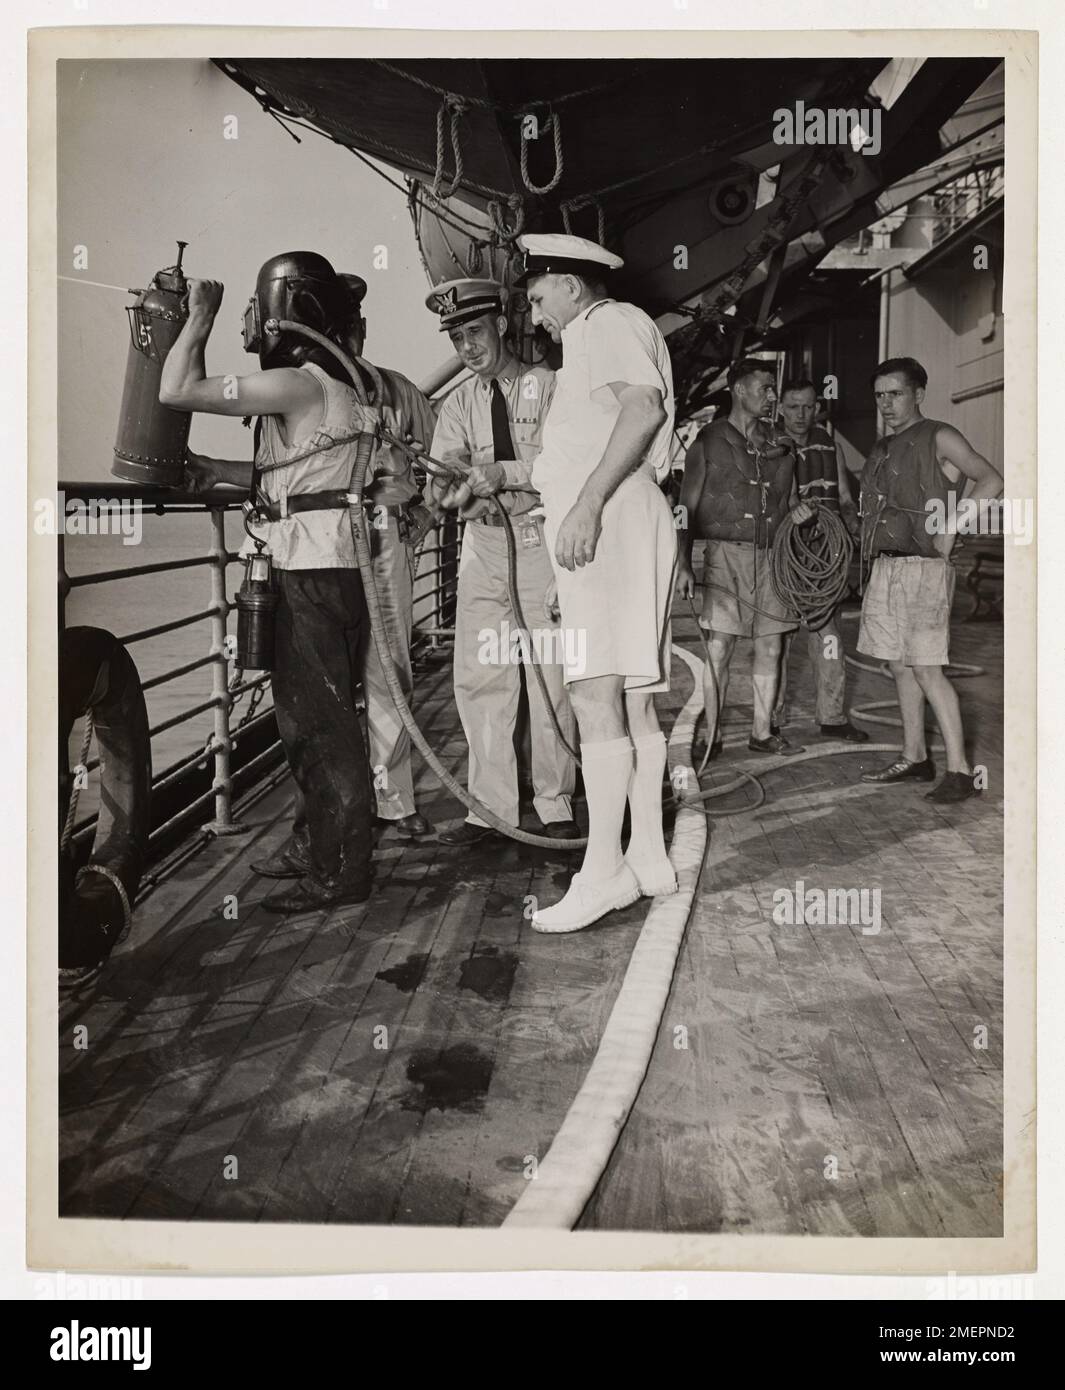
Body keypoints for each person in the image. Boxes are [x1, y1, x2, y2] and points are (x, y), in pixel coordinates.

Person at [164, 251, 379, 911]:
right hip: (323, 567)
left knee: (321, 728)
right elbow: (301, 478)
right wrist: (217, 472)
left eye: (254, 310)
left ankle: (341, 872)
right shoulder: (330, 386)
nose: (246, 324)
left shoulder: (299, 384)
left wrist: (198, 318)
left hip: (311, 574)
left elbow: (177, 389)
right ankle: (314, 844)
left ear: (286, 310)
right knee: (309, 720)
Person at [514, 232, 679, 933]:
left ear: (571, 286)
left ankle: (602, 873)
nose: (535, 317)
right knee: (634, 698)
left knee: (593, 694)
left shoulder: (602, 325)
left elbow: (643, 409)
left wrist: (584, 506)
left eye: (538, 298)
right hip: (624, 521)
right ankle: (647, 855)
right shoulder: (614, 329)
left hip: (610, 517)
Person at [425, 277, 580, 845]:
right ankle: (491, 809)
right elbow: (443, 473)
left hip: (540, 543)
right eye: (456, 338)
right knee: (482, 677)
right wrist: (444, 489)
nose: (466, 347)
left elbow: (566, 463)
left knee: (550, 675)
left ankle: (555, 801)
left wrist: (503, 473)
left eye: (474, 331)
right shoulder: (458, 404)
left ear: (501, 325)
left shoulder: (551, 387)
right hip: (485, 546)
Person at [857, 356, 1002, 803]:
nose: (886, 403)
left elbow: (991, 479)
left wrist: (954, 526)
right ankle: (915, 757)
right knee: (900, 666)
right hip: (888, 566)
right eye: (880, 395)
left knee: (926, 668)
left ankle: (960, 771)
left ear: (918, 394)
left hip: (924, 569)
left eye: (895, 394)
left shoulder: (940, 435)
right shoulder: (884, 447)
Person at [676, 359, 813, 758]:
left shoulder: (783, 446)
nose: (772, 396)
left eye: (773, 389)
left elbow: (791, 501)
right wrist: (683, 563)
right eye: (764, 388)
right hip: (726, 557)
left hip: (773, 559)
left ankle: (762, 732)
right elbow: (684, 508)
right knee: (720, 648)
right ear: (738, 389)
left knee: (771, 647)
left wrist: (800, 513)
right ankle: (712, 735)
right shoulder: (708, 442)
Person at [772, 377, 868, 742]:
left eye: (808, 406)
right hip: (783, 559)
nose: (801, 414)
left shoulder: (830, 446)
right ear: (780, 408)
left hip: (824, 558)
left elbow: (844, 497)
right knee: (777, 640)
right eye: (793, 406)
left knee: (829, 638)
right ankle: (770, 719)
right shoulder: (768, 445)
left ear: (817, 408)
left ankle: (832, 716)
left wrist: (855, 526)